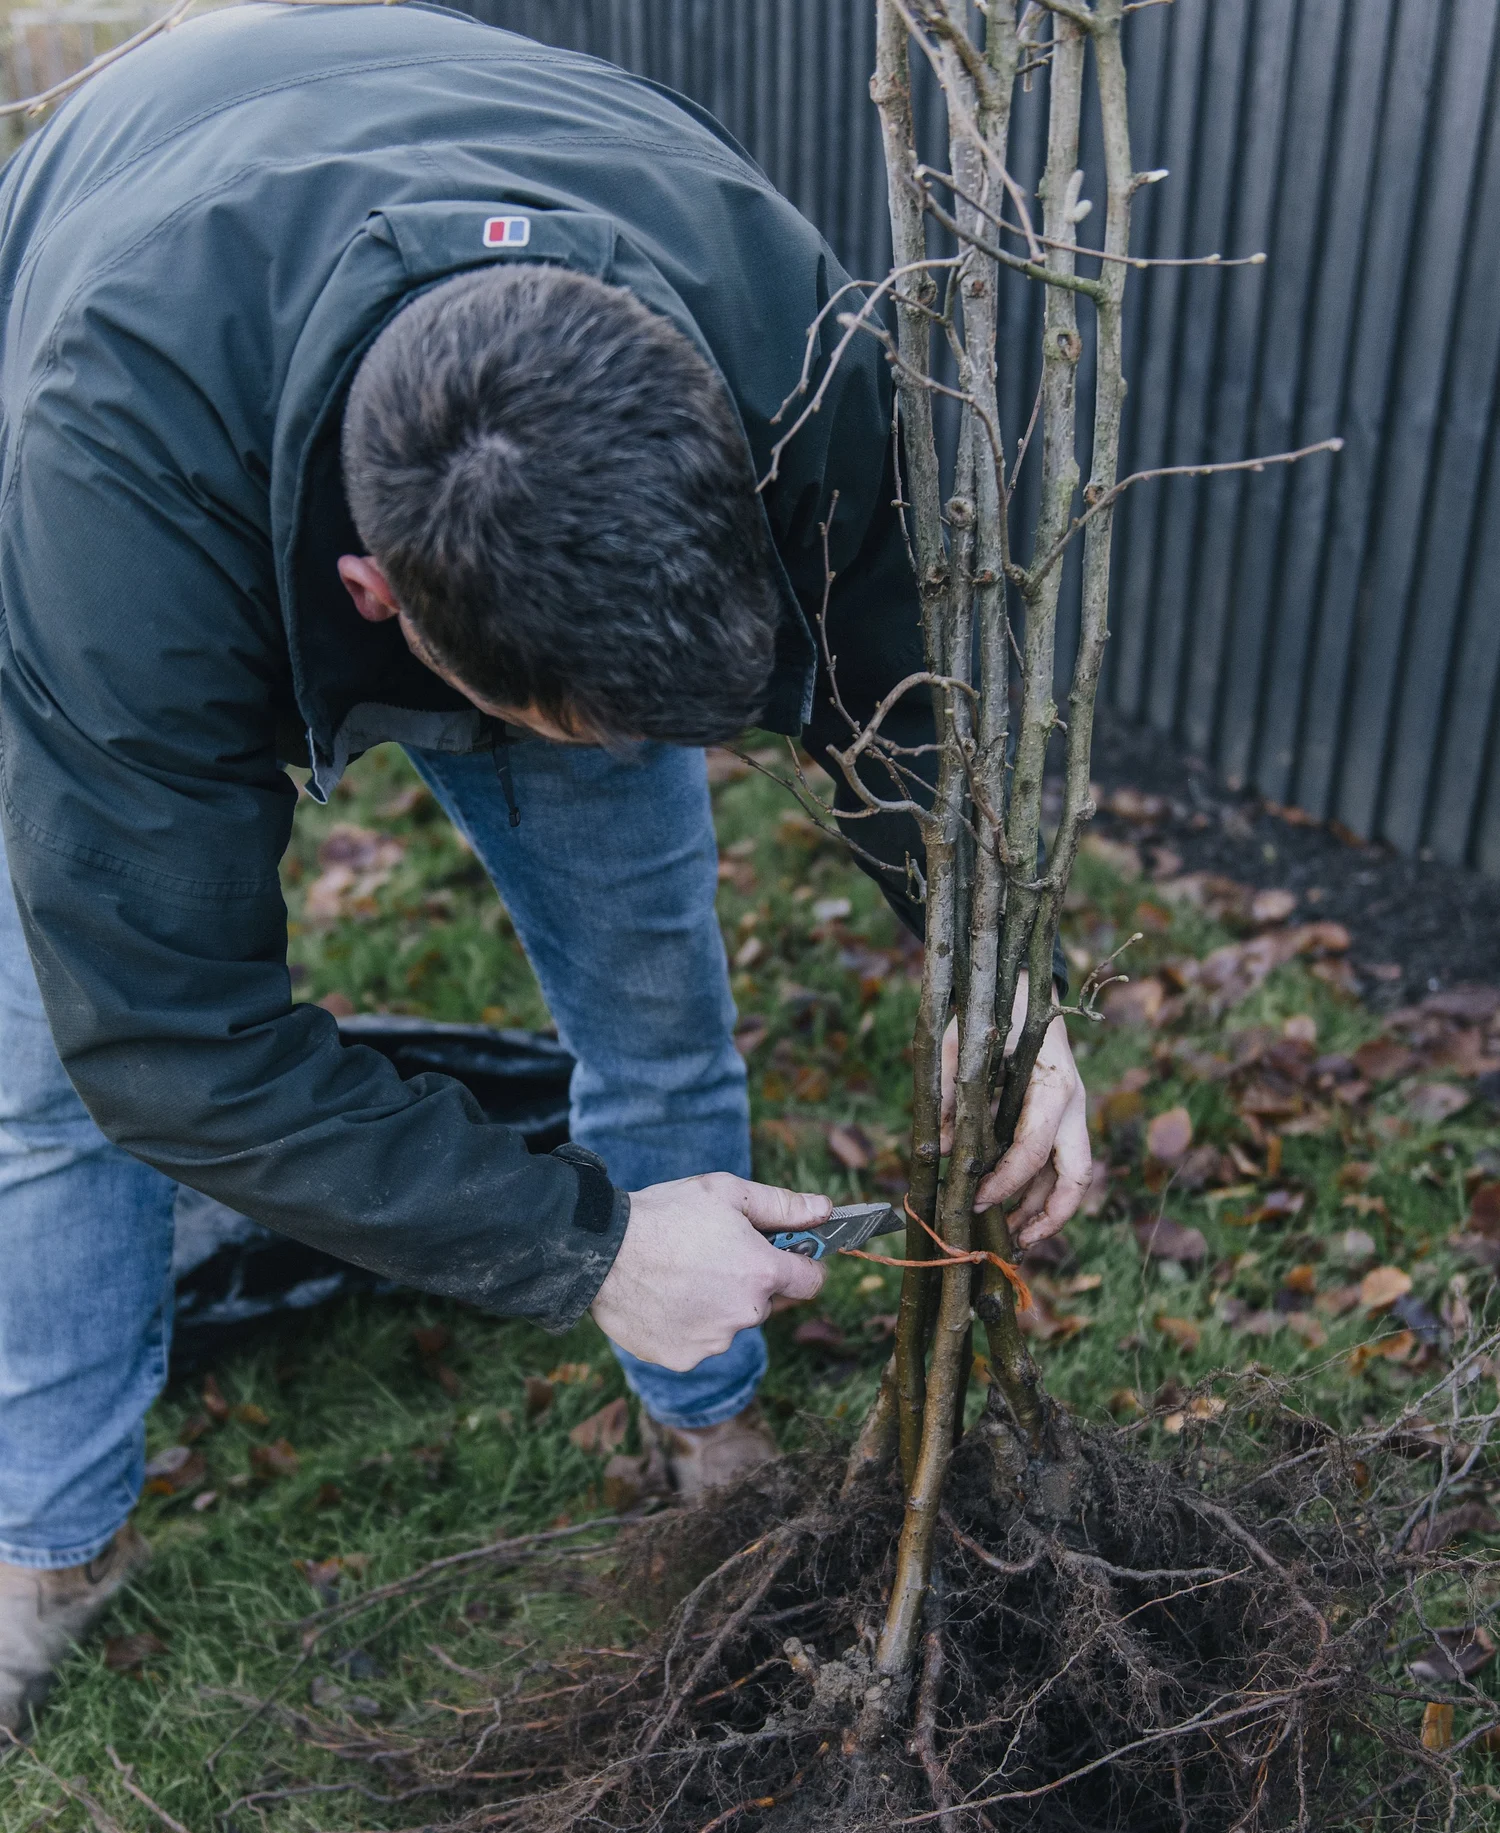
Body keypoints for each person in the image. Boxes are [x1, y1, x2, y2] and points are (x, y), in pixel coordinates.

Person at [0, 1, 1092, 1732]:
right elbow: (169, 1037)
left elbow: (896, 672)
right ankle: (43, 1543)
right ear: (378, 603)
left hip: (431, 131)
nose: (611, 765)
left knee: (651, 978)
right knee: (50, 1075)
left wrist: (1009, 978)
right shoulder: (110, 493)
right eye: (562, 723)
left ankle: (712, 1432)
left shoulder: (776, 325)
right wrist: (581, 1244)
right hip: (137, 212)